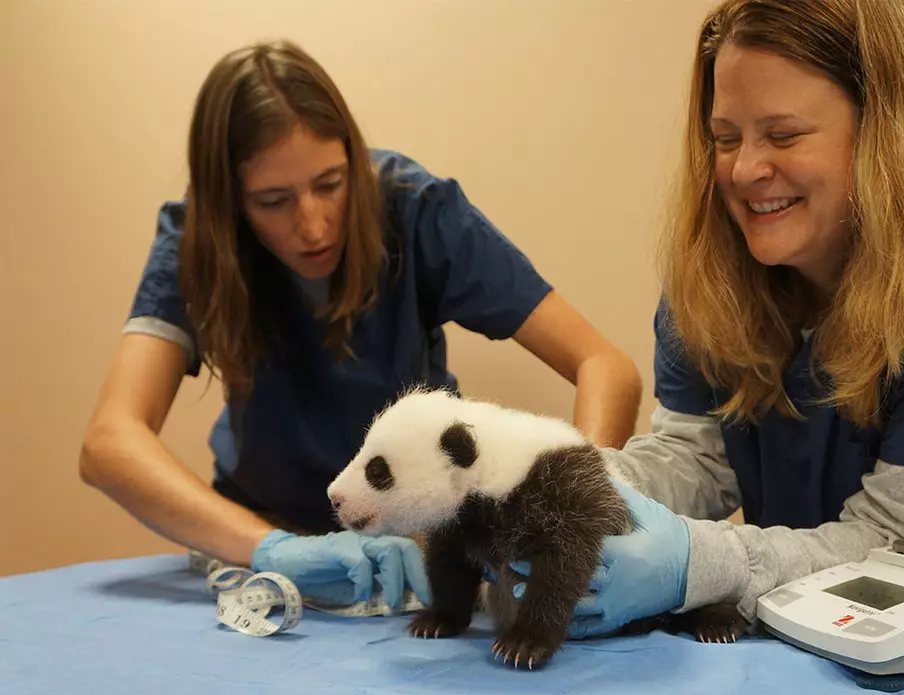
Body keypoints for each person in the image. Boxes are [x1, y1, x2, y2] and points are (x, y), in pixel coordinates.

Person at [533, 0, 904, 639]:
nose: (745, 170)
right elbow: (699, 455)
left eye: (783, 136)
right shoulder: (720, 276)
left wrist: (697, 565)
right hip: (807, 651)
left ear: (886, 132)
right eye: (726, 138)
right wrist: (551, 496)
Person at [78, 40, 643, 611]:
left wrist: (579, 509)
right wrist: (269, 549)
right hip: (261, 544)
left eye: (330, 184)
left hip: (420, 550)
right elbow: (109, 445)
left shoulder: (414, 209)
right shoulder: (197, 239)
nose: (315, 225)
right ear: (230, 206)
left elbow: (605, 366)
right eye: (274, 201)